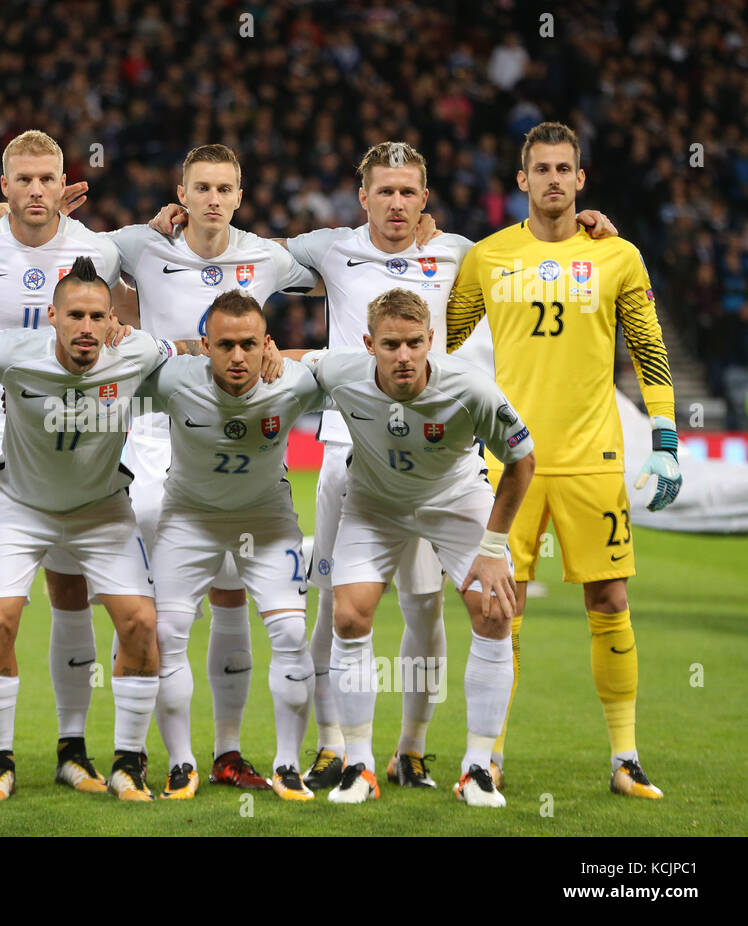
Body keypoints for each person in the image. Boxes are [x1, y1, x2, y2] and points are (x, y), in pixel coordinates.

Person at [153, 140, 615, 793]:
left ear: (425, 199)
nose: (397, 204)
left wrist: (591, 229)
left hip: (436, 454)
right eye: (384, 191)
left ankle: (413, 749)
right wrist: (172, 227)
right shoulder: (327, 247)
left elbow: (535, 252)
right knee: (337, 609)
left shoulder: (460, 251)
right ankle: (334, 747)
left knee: (425, 608)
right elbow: (242, 255)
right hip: (350, 449)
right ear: (361, 195)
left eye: (408, 192)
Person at [447, 122, 679, 799]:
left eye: (564, 169)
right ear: (521, 181)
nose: (552, 178)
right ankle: (487, 758)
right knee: (499, 610)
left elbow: (650, 349)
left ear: (581, 180)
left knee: (610, 598)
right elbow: (441, 334)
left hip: (593, 458)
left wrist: (665, 439)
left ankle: (625, 758)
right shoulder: (487, 258)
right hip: (509, 460)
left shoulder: (618, 258)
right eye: (540, 168)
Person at [0, 256, 202, 801]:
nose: (88, 327)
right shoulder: (13, 352)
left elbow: (187, 349)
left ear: (112, 318)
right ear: (52, 315)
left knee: (143, 625)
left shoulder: (135, 351)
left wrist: (263, 357)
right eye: (76, 315)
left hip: (100, 509)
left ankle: (126, 763)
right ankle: (0, 764)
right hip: (20, 507)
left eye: (99, 316)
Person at [0, 130, 138, 793]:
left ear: (65, 183)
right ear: (3, 185)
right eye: (23, 179)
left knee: (71, 586)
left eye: (47, 178)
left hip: (69, 432)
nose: (36, 190)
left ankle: (72, 749)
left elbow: (125, 313)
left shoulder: (95, 250)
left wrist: (122, 322)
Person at [302, 288, 535, 806]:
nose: (403, 356)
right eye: (390, 345)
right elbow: (295, 363)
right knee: (348, 617)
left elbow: (522, 460)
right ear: (369, 344)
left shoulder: (471, 389)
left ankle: (477, 770)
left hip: (454, 496)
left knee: (495, 611)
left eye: (413, 343)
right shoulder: (342, 372)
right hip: (373, 500)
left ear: (431, 340)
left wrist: (494, 547)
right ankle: (357, 767)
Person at [136, 290, 325, 800]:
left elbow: (357, 368)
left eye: (248, 344)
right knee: (170, 632)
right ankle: (181, 765)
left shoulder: (293, 382)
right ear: (205, 347)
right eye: (225, 346)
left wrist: (297, 357)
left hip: (265, 519)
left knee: (289, 632)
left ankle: (287, 765)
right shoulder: (174, 380)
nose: (237, 357)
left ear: (267, 344)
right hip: (188, 519)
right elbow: (107, 379)